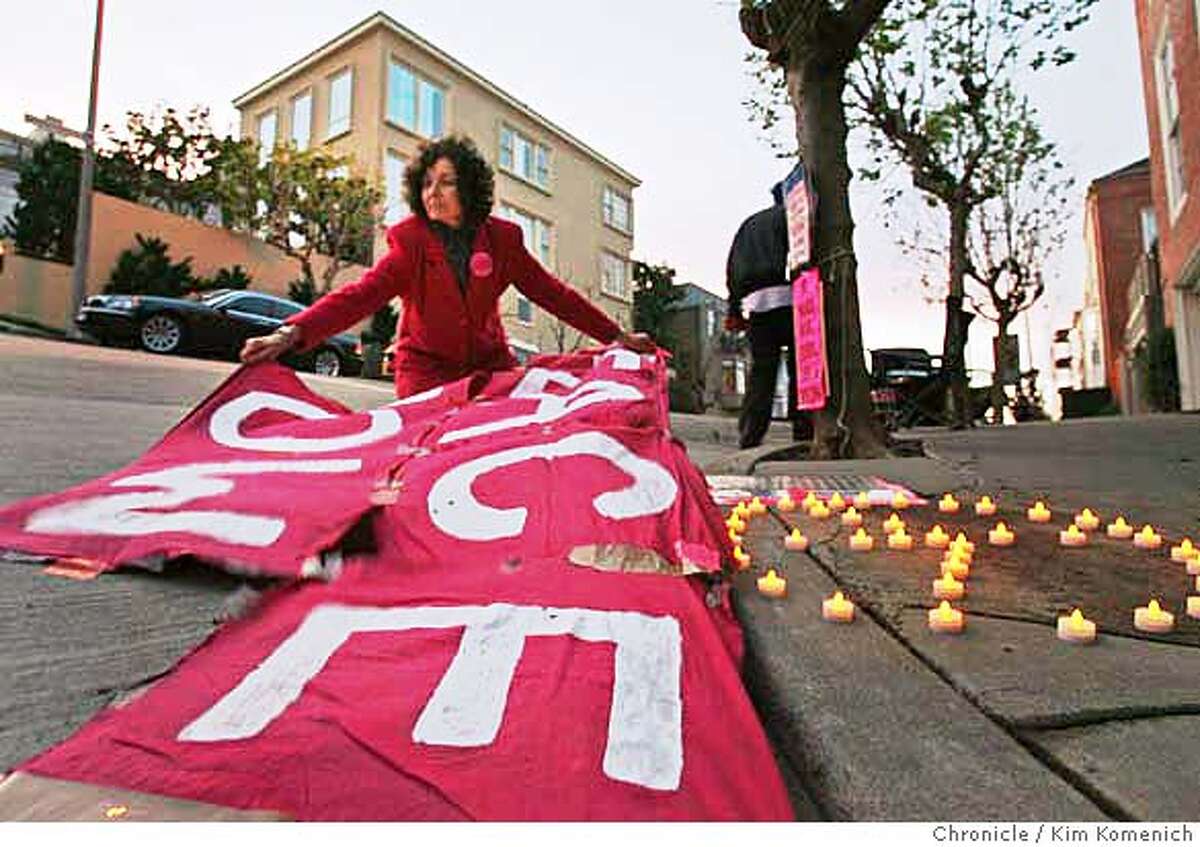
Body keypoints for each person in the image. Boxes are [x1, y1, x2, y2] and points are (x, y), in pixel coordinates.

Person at [241, 134, 654, 398]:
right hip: (426, 371)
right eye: (426, 183)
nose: (432, 193)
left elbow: (553, 294)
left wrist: (616, 336)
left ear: (470, 188)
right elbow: (359, 296)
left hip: (490, 366)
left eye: (447, 182)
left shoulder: (503, 240)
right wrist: (291, 332)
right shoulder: (409, 241)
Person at [724, 182, 811, 449]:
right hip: (790, 299)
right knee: (801, 368)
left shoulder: (749, 225)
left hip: (756, 305)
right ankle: (803, 430)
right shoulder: (792, 219)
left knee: (762, 371)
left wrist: (734, 308)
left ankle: (751, 432)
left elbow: (733, 267)